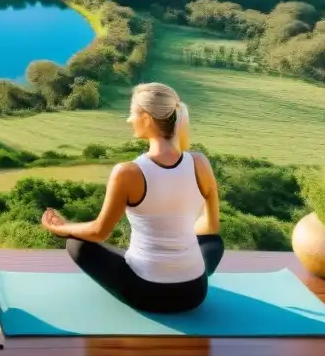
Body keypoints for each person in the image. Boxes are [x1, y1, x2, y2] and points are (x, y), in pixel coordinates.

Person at [39, 82, 225, 314]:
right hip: (194, 293)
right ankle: (183, 269)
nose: (129, 120)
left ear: (146, 118)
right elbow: (211, 226)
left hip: (147, 294)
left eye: (132, 113)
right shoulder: (200, 163)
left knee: (77, 244)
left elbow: (99, 232)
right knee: (213, 242)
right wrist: (178, 236)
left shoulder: (128, 172)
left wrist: (63, 228)